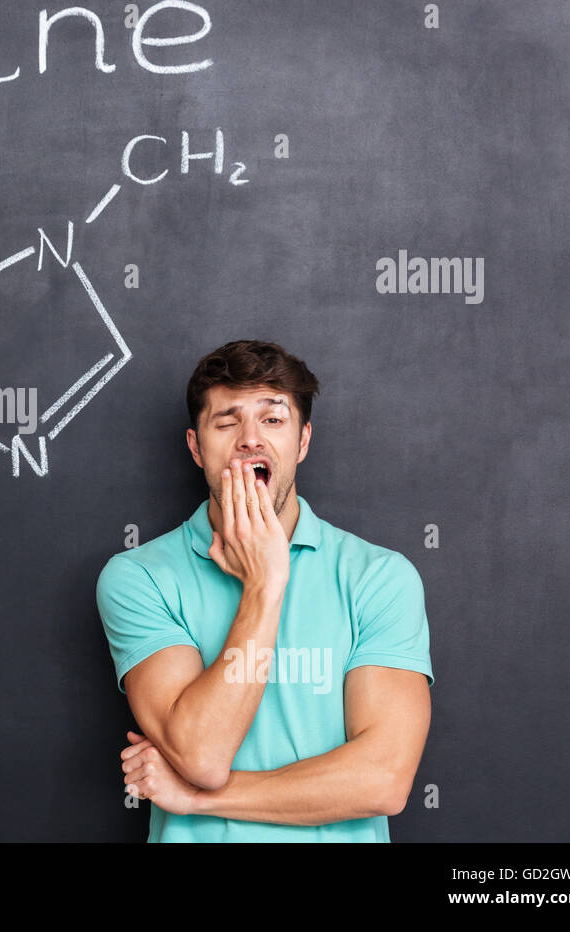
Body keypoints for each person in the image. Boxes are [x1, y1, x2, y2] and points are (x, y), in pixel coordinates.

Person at [96, 340, 433, 841]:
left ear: (302, 441)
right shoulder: (137, 578)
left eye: (273, 420)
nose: (250, 439)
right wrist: (265, 585)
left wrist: (196, 798)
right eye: (226, 422)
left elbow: (382, 779)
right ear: (195, 447)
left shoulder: (380, 577)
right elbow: (203, 756)